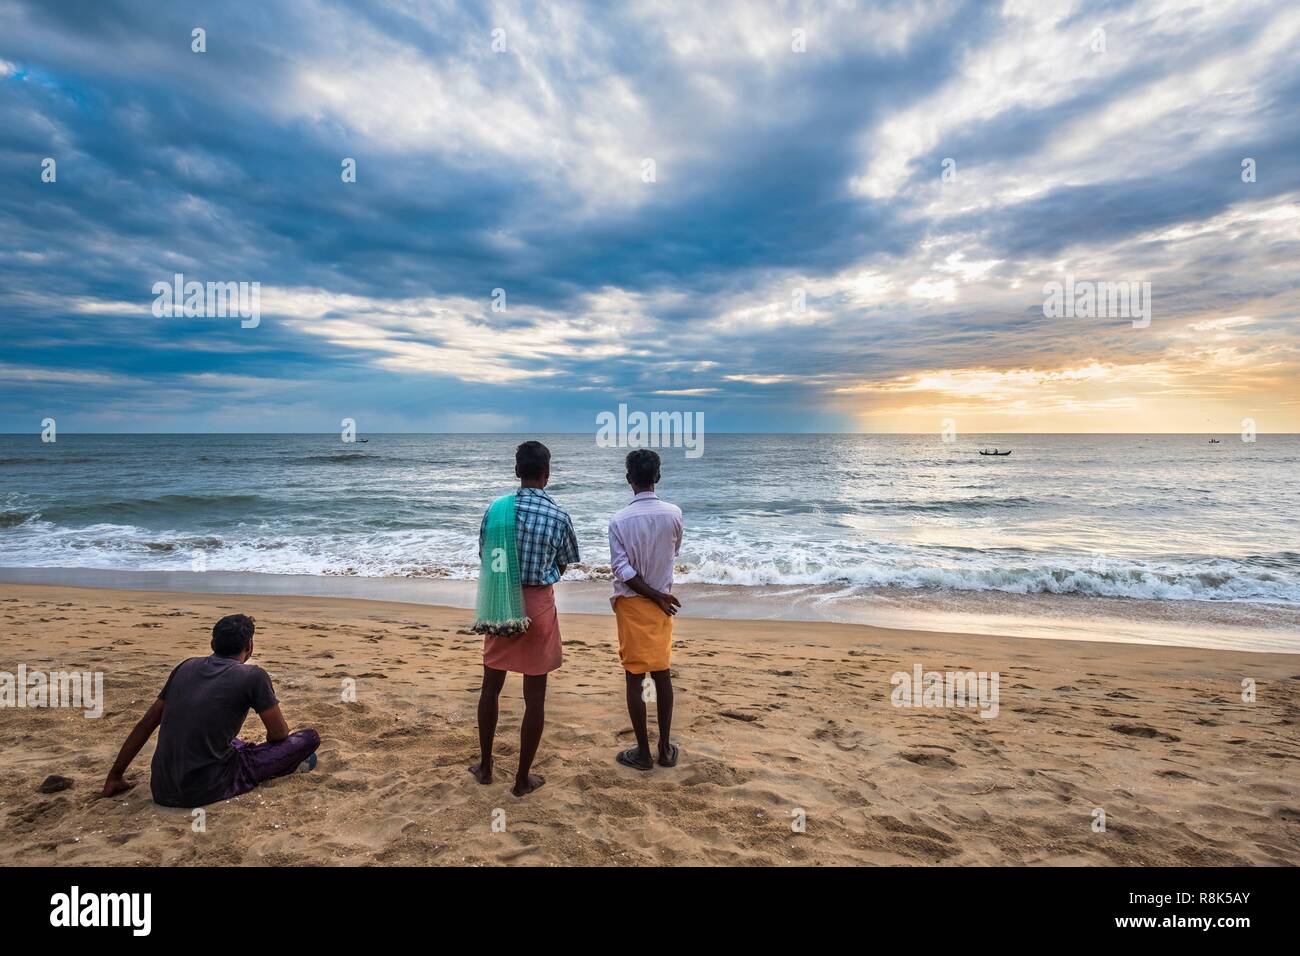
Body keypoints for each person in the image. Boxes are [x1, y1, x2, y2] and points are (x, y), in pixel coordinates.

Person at [99, 614, 320, 807]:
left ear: (213, 643)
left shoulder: (185, 666)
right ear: (249, 646)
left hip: (162, 788)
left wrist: (115, 775)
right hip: (208, 788)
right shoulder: (253, 676)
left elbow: (146, 724)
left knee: (228, 741)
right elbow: (279, 733)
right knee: (309, 738)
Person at [469, 440, 579, 797]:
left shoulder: (496, 509)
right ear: (547, 475)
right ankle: (521, 779)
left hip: (502, 600)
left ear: (517, 472)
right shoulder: (559, 516)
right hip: (538, 606)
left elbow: (487, 555)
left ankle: (485, 767)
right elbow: (563, 563)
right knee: (535, 696)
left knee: (491, 687)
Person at [608, 448, 683, 770]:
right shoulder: (673, 514)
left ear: (629, 480)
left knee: (635, 676)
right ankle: (664, 748)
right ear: (658, 477)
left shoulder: (619, 521)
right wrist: (658, 594)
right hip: (662, 603)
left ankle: (643, 752)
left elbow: (621, 570)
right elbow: (673, 551)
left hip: (632, 603)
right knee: (662, 672)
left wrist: (651, 594)